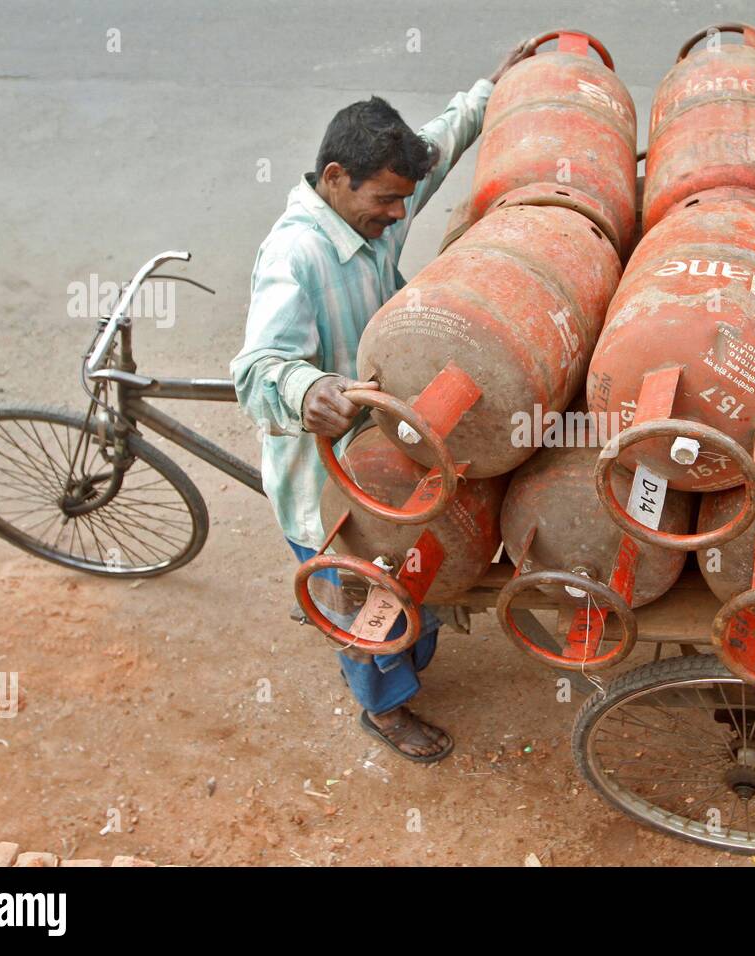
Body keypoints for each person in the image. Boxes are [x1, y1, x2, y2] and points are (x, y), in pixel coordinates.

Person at [231, 40, 532, 762]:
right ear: (336, 178)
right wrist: (310, 390)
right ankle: (385, 708)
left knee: (410, 576)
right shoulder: (295, 255)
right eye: (387, 200)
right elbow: (255, 368)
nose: (399, 214)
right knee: (363, 593)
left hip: (395, 451)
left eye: (404, 198)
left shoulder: (368, 212)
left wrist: (490, 90)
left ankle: (406, 643)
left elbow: (439, 142)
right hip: (330, 477)